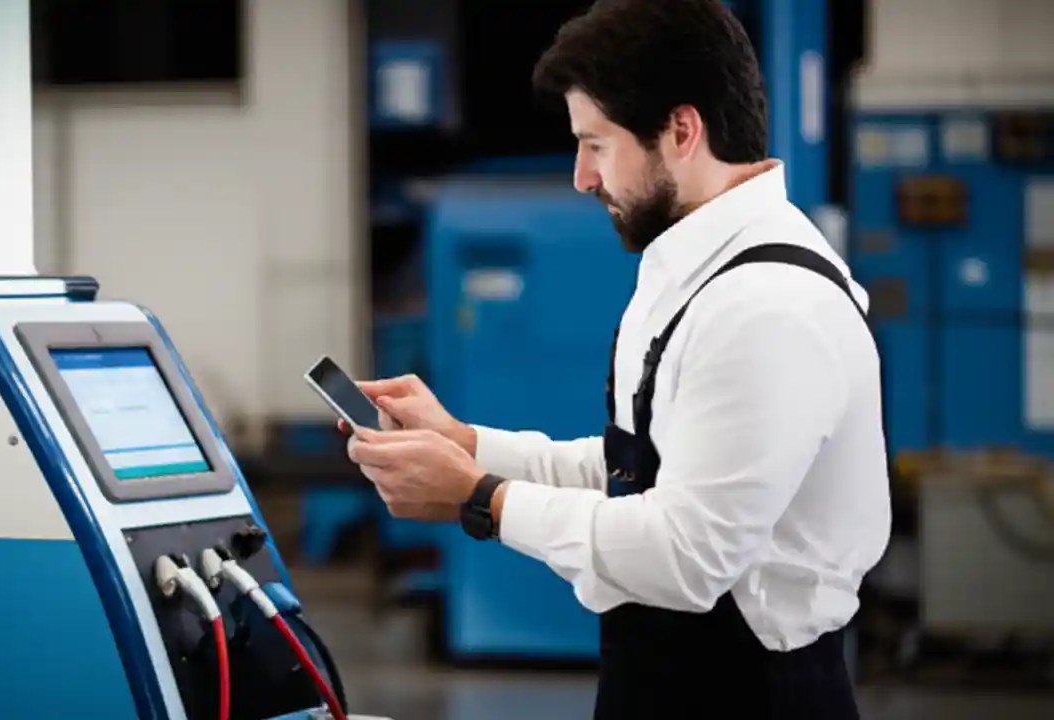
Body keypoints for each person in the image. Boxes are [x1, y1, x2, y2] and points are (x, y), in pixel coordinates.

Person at [342, 0, 891, 717]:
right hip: (667, 679)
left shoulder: (767, 306)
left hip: (748, 697)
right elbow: (641, 474)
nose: (581, 177)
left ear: (681, 131)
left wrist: (480, 498)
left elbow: (687, 554)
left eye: (596, 145)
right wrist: (469, 446)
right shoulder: (690, 271)